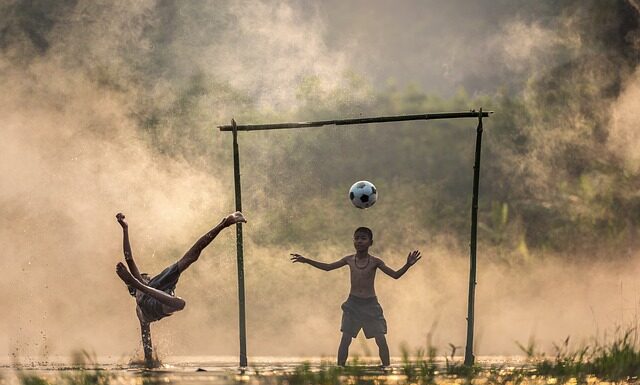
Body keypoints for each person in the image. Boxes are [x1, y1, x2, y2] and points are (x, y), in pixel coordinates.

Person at [290, 227, 421, 367]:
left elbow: (395, 275)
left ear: (371, 242)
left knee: (381, 339)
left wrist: (408, 265)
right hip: (353, 304)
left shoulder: (376, 262)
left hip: (371, 305)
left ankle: (386, 369)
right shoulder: (349, 260)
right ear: (353, 241)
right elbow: (328, 267)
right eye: (357, 238)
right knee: (345, 339)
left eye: (363, 238)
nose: (359, 241)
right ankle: (340, 369)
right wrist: (307, 260)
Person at [115, 211, 246, 325]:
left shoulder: (154, 284)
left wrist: (125, 229)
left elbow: (129, 259)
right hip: (150, 303)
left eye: (146, 277)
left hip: (157, 294)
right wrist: (125, 229)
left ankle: (224, 224)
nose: (147, 277)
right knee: (178, 300)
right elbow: (129, 259)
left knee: (188, 260)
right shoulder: (140, 297)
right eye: (145, 277)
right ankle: (223, 224)